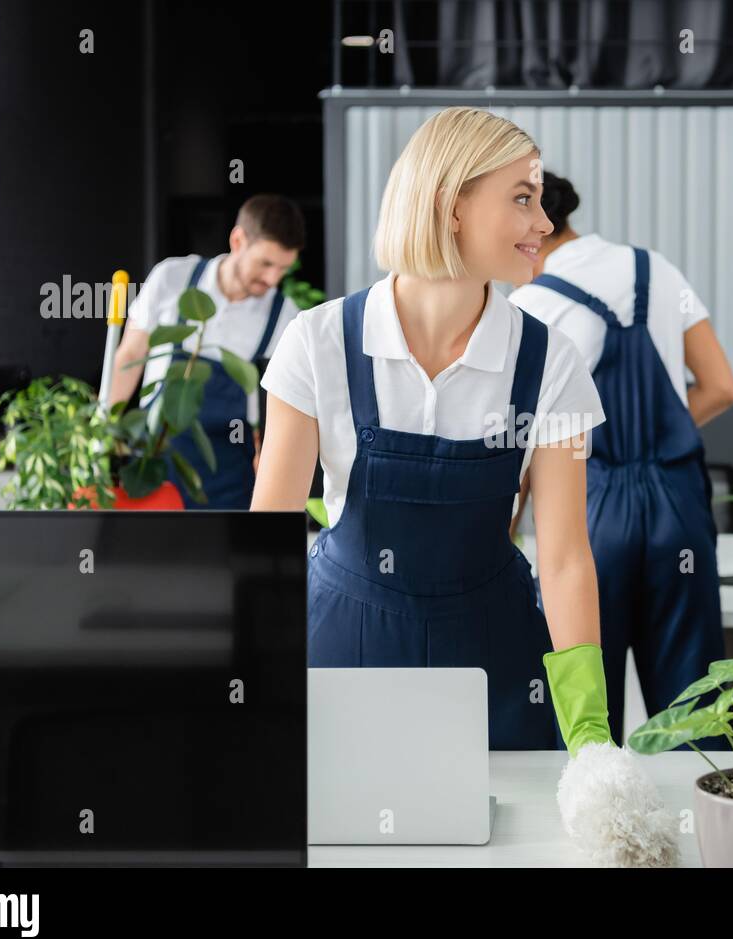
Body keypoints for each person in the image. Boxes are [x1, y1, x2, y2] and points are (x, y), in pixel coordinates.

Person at [251, 108, 617, 755]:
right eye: (524, 198)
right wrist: (254, 686)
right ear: (453, 206)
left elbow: (563, 559)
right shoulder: (320, 344)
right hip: (343, 654)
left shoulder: (549, 362)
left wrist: (589, 731)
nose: (544, 223)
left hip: (496, 666)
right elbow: (268, 539)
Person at [509, 173, 733, 746]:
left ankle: (594, 813)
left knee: (588, 699)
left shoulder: (528, 305)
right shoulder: (655, 268)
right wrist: (660, 438)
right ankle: (708, 824)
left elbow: (522, 447)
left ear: (536, 231)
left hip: (590, 510)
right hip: (677, 505)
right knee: (695, 704)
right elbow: (720, 388)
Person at [108, 194, 305, 508]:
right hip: (155, 463)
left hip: (230, 477)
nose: (272, 279)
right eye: (266, 263)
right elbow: (130, 356)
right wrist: (103, 434)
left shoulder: (285, 315)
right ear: (238, 240)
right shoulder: (172, 279)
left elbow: (277, 409)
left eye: (283, 269)